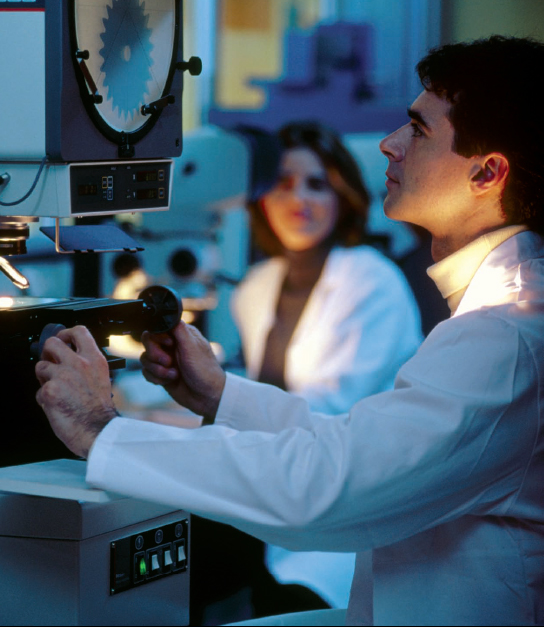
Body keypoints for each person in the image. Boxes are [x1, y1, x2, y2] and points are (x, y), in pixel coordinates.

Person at [36, 36, 544, 626]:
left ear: (487, 172)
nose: (389, 144)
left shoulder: (504, 334)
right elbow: (361, 445)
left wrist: (101, 430)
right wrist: (221, 395)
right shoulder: (496, 314)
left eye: (418, 129)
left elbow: (330, 486)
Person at [227, 121, 422, 612]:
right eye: (283, 183)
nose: (298, 199)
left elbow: (331, 411)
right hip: (278, 485)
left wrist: (215, 408)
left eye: (316, 184)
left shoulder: (373, 281)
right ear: (261, 199)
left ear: (342, 197)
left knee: (293, 598)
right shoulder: (255, 286)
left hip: (352, 495)